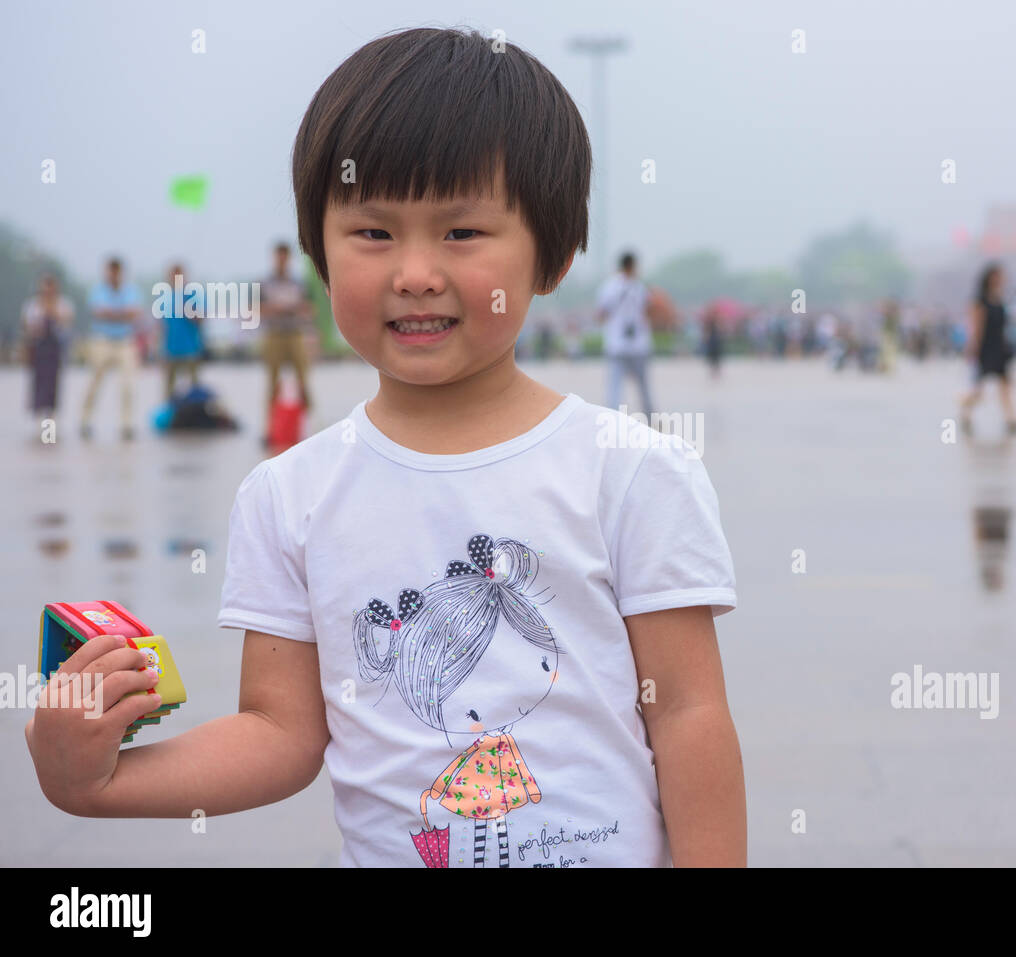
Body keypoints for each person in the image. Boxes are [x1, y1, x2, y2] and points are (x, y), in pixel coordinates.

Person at [25, 27, 743, 870]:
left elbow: (688, 713)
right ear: (320, 252)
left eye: (462, 233)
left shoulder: (630, 470)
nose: (414, 272)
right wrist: (93, 782)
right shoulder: (288, 495)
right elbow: (280, 732)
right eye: (372, 233)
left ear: (554, 254)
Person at [79, 256, 143, 441]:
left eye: (117, 272)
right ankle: (85, 420)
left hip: (124, 341)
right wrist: (121, 314)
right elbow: (99, 313)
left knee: (128, 384)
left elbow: (134, 313)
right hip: (102, 341)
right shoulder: (98, 290)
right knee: (94, 382)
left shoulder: (131, 290)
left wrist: (113, 314)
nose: (114, 275)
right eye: (111, 271)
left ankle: (127, 424)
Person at [958, 262, 1016, 435]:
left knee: (1005, 385)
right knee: (978, 390)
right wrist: (972, 347)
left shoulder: (1001, 298)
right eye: (997, 276)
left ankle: (1012, 419)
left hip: (1001, 347)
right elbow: (976, 327)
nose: (1000, 280)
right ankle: (964, 408)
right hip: (986, 348)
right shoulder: (980, 301)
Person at [260, 241, 315, 437]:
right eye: (279, 257)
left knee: (303, 379)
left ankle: (308, 426)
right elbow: (258, 310)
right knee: (272, 381)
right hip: (274, 335)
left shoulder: (297, 284)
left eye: (284, 257)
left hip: (295, 334)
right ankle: (271, 428)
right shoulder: (265, 283)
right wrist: (282, 308)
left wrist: (288, 308)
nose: (281, 261)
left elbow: (309, 309)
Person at [595, 251, 655, 414]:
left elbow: (601, 314)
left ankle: (612, 419)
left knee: (615, 387)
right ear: (632, 266)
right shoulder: (639, 287)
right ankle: (650, 418)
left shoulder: (610, 287)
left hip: (618, 344)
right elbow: (648, 312)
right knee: (643, 388)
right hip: (636, 344)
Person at [20, 273, 75, 429]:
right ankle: (39, 417)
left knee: (53, 384)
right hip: (38, 349)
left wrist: (52, 311)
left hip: (55, 350)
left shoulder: (63, 304)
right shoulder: (32, 306)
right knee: (38, 382)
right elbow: (27, 328)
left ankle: (50, 420)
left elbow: (67, 322)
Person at [157, 262, 206, 399]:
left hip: (191, 348)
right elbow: (163, 327)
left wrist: (189, 309)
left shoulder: (192, 295)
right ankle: (170, 417)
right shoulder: (165, 297)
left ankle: (195, 415)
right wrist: (161, 350)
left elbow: (201, 319)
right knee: (169, 390)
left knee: (194, 387)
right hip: (171, 350)